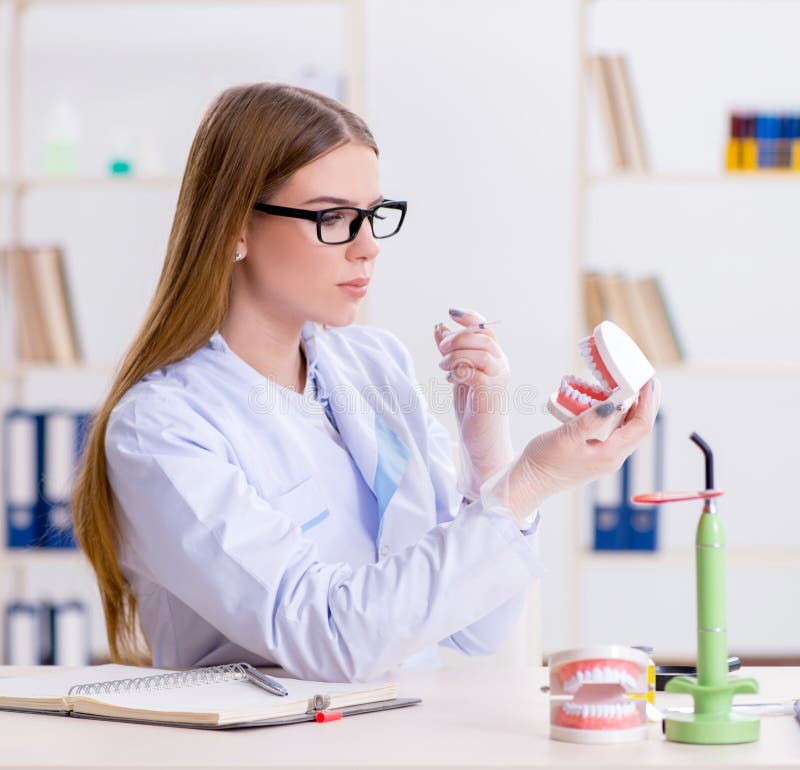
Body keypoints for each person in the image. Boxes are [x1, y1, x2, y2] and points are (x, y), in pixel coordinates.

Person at [72, 83, 659, 683]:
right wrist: (531, 480)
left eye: (373, 216)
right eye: (332, 218)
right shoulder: (161, 428)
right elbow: (328, 637)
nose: (368, 247)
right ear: (235, 228)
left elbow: (478, 627)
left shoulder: (375, 365)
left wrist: (488, 456)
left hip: (406, 721)